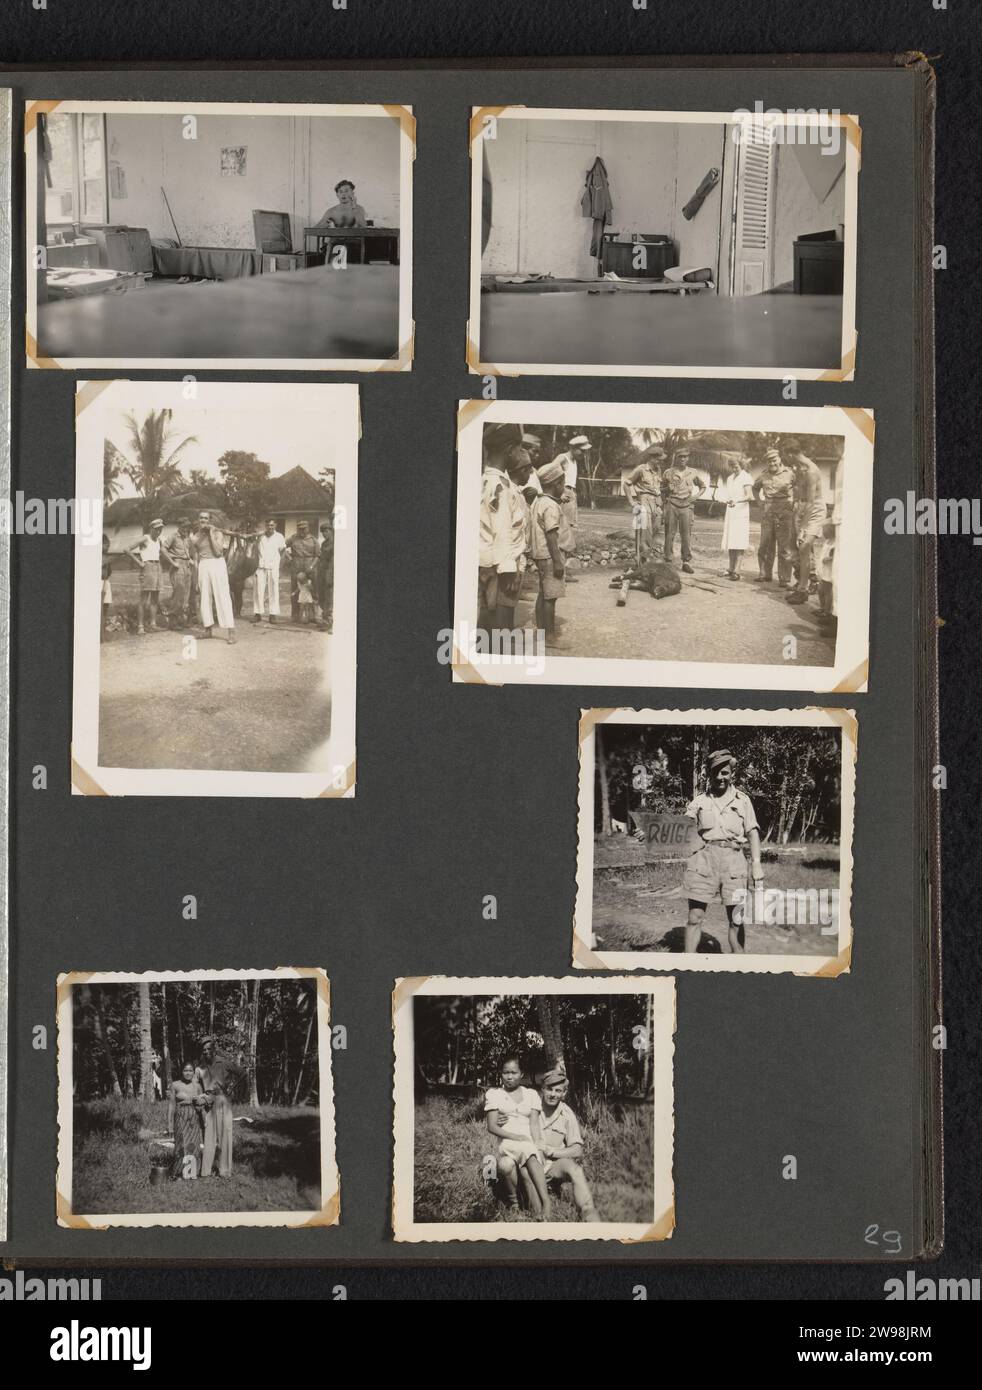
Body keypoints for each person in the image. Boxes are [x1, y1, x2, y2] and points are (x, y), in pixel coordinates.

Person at [682, 749, 763, 954]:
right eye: (715, 772)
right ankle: (686, 964)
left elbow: (752, 832)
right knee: (695, 917)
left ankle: (739, 962)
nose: (720, 777)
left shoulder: (743, 800)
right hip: (704, 860)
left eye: (725, 772)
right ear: (709, 774)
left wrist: (757, 865)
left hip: (734, 861)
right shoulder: (699, 802)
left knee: (736, 919)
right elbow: (678, 830)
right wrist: (647, 835)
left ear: (731, 773)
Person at [477, 425, 529, 634]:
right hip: (500, 571)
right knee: (497, 632)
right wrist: (510, 572)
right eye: (518, 449)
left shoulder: (486, 480)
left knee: (487, 630)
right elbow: (502, 532)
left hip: (490, 565)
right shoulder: (500, 487)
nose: (520, 454)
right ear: (509, 450)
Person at [485, 1056, 551, 1220]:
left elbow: (534, 1124)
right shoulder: (494, 1094)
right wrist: (516, 1137)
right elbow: (492, 1126)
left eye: (514, 1072)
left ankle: (537, 1208)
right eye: (506, 1072)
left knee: (528, 1159)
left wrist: (538, 1145)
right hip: (508, 1140)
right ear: (501, 1074)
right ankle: (546, 1202)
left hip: (527, 1140)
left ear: (522, 1074)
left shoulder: (531, 1095)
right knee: (527, 1150)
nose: (509, 1076)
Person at [537, 1069, 598, 1221]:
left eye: (558, 1091)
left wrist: (552, 1152)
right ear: (542, 1089)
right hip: (529, 1166)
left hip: (551, 1167)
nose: (552, 1094)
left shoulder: (566, 1113)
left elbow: (577, 1150)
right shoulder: (530, 1108)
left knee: (575, 1170)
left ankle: (588, 1212)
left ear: (564, 1094)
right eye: (549, 1089)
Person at [530, 460, 570, 650]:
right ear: (556, 484)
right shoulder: (551, 507)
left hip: (540, 555)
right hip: (549, 556)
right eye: (563, 482)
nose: (564, 486)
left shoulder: (540, 501)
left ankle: (540, 631)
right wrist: (558, 562)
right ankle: (550, 636)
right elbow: (551, 535)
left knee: (543, 593)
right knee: (550, 598)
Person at [195, 1038, 242, 1179]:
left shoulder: (224, 1062)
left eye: (209, 1049)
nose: (206, 1052)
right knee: (209, 1137)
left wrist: (232, 1087)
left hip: (223, 1100)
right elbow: (195, 1086)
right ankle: (205, 1172)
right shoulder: (200, 1068)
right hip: (208, 1102)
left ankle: (225, 1171)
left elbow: (242, 1073)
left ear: (214, 1049)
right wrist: (201, 1099)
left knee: (225, 1135)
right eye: (204, 1050)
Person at [786, 443, 826, 606]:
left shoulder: (811, 471)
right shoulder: (801, 469)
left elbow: (811, 503)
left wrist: (802, 528)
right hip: (803, 507)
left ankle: (803, 590)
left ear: (791, 454)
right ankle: (804, 584)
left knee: (803, 547)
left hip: (814, 509)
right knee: (795, 549)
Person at [752, 448, 796, 585]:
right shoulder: (763, 475)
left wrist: (795, 503)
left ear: (779, 459)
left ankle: (784, 578)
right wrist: (759, 502)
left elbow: (799, 488)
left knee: (784, 547)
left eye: (774, 459)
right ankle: (765, 573)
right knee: (765, 544)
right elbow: (755, 488)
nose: (772, 463)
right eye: (769, 461)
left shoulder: (790, 473)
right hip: (768, 512)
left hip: (785, 512)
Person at [193, 512, 236, 643]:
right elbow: (195, 558)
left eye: (206, 518)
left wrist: (211, 533)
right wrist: (196, 577)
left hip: (217, 564)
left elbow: (218, 552)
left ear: (210, 520)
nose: (203, 520)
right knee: (205, 598)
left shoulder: (218, 533)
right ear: (198, 520)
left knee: (223, 596)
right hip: (203, 565)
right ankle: (208, 629)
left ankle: (231, 631)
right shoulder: (195, 536)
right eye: (201, 518)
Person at [550, 434, 591, 573]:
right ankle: (558, 569)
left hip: (572, 495)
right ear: (573, 448)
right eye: (581, 450)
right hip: (564, 493)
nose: (583, 454)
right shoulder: (563, 458)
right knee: (561, 531)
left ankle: (564, 569)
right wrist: (559, 494)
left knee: (569, 531)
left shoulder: (575, 461)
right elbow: (549, 473)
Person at [661, 447, 705, 573]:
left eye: (685, 457)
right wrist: (667, 489)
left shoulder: (693, 472)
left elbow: (702, 486)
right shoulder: (668, 472)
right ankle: (668, 561)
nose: (683, 459)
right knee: (669, 534)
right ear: (676, 458)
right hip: (672, 504)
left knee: (686, 535)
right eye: (680, 456)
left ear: (688, 458)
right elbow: (660, 489)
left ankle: (686, 562)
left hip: (686, 505)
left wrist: (695, 497)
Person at [714, 455, 755, 580]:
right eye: (732, 467)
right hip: (731, 512)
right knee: (731, 540)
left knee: (739, 541)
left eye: (736, 466)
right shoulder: (730, 478)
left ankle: (737, 570)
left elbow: (750, 496)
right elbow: (729, 495)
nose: (734, 469)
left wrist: (736, 501)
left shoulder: (746, 477)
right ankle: (731, 569)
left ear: (741, 465)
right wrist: (726, 499)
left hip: (741, 513)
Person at [625, 445, 666, 562]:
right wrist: (631, 501)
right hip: (644, 501)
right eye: (659, 459)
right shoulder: (641, 469)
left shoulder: (658, 470)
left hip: (657, 502)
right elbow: (626, 484)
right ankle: (645, 558)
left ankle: (644, 555)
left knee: (655, 528)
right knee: (645, 530)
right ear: (652, 458)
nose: (661, 462)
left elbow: (657, 488)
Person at [128, 518, 167, 635]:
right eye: (156, 529)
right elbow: (127, 549)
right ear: (151, 529)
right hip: (148, 567)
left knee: (155, 597)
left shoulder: (159, 540)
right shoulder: (145, 538)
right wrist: (139, 562)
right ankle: (140, 626)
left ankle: (153, 624)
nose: (158, 532)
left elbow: (162, 552)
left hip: (157, 567)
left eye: (160, 529)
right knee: (144, 599)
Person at [167, 1061, 204, 1181]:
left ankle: (192, 1173)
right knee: (181, 1144)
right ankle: (178, 1173)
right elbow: (171, 1105)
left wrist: (199, 1103)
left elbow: (201, 1105)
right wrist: (170, 1125)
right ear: (181, 1071)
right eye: (185, 1070)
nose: (188, 1073)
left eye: (190, 1071)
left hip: (194, 1116)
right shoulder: (175, 1085)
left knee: (193, 1145)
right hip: (180, 1116)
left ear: (194, 1072)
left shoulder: (197, 1086)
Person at [253, 518, 286, 625]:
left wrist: (280, 566)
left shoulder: (279, 536)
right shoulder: (260, 537)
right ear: (265, 526)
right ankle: (257, 614)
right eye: (268, 525)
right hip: (261, 566)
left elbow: (283, 552)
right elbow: (254, 550)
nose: (270, 527)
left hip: (273, 567)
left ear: (275, 525)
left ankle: (273, 615)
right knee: (258, 590)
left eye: (272, 525)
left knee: (274, 591)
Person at [163, 517, 194, 628]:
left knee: (186, 594)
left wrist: (190, 560)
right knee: (178, 592)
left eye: (187, 526)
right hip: (178, 566)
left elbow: (187, 552)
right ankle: (172, 621)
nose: (186, 528)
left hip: (187, 566)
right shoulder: (173, 536)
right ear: (179, 526)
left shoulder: (187, 538)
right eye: (184, 526)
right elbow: (163, 549)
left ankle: (181, 619)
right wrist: (172, 562)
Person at [286, 521, 319, 622]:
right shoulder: (293, 538)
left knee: (313, 589)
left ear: (308, 528)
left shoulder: (314, 540)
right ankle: (295, 615)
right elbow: (282, 547)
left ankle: (313, 616)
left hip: (310, 566)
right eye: (300, 528)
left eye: (304, 528)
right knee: (295, 590)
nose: (302, 531)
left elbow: (318, 555)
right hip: (296, 565)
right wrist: (289, 558)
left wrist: (312, 565)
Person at [315, 521, 334, 631]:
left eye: (326, 531)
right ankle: (324, 619)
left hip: (329, 572)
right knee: (321, 596)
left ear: (331, 531)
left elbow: (332, 562)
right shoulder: (324, 544)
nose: (324, 534)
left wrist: (330, 576)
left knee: (329, 598)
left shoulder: (335, 544)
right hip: (321, 572)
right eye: (322, 532)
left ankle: (329, 621)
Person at [817, 520, 836, 623]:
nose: (823, 533)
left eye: (824, 530)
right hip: (823, 572)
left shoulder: (835, 543)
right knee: (820, 591)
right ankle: (822, 607)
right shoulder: (827, 541)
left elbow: (834, 556)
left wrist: (828, 559)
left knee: (828, 593)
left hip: (829, 572)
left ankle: (827, 611)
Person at [100, 535, 113, 642]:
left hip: (105, 582)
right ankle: (98, 634)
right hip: (97, 582)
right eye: (105, 544)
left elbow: (109, 572)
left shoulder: (106, 556)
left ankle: (102, 634)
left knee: (105, 607)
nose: (107, 546)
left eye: (108, 544)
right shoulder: (94, 555)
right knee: (98, 608)